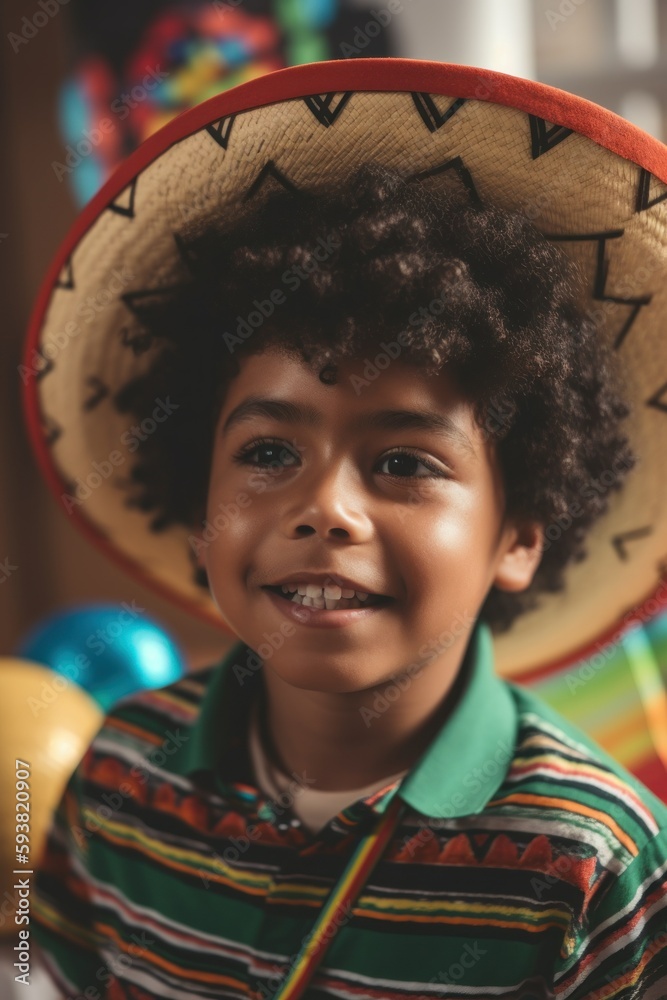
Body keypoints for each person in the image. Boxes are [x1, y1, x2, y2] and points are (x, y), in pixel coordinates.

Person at [26, 59, 667, 999]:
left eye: (405, 462)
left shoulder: (594, 867)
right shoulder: (124, 767)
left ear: (520, 534)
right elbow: (43, 964)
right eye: (268, 454)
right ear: (201, 508)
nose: (324, 507)